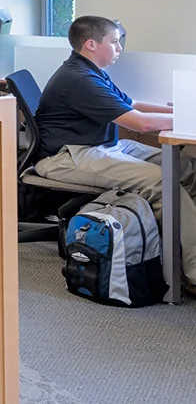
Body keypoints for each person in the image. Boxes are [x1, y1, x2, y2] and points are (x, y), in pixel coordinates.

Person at [32, 15, 196, 286]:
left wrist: (181, 110)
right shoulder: (79, 79)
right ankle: (192, 270)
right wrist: (187, 120)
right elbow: (139, 122)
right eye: (115, 42)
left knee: (187, 166)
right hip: (67, 155)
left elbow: (133, 104)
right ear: (91, 44)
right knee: (161, 182)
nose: (120, 48)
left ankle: (174, 249)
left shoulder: (91, 71)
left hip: (99, 145)